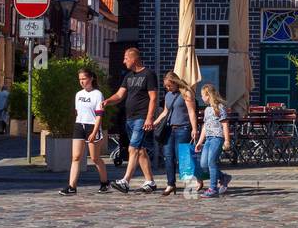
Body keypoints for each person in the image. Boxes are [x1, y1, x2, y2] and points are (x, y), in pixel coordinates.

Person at [102, 46, 159, 194]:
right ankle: (150, 182)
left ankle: (125, 181)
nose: (124, 61)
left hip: (142, 117)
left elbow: (153, 98)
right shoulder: (128, 76)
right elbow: (120, 95)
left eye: (126, 58)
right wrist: (108, 101)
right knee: (140, 151)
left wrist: (149, 118)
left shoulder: (149, 74)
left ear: (134, 59)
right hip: (130, 119)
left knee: (132, 148)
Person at [58, 68, 110, 196]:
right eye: (80, 79)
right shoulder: (78, 94)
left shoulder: (97, 94)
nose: (82, 81)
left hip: (92, 126)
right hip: (79, 125)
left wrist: (94, 132)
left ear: (91, 78)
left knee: (95, 158)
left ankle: (104, 182)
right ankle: (72, 187)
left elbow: (99, 115)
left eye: (84, 79)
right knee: (76, 157)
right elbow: (77, 112)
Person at [158, 71, 198, 195]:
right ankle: (170, 184)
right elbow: (165, 112)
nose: (168, 88)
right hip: (170, 129)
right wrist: (155, 122)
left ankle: (189, 186)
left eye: (169, 86)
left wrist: (194, 129)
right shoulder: (168, 95)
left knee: (183, 158)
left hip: (183, 128)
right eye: (166, 86)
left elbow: (192, 112)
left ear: (175, 83)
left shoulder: (186, 93)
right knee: (168, 157)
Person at [195, 84, 232, 198]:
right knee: (204, 164)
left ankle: (213, 188)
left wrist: (227, 140)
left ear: (208, 95)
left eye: (202, 95)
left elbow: (225, 124)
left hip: (217, 138)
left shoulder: (220, 107)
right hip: (208, 139)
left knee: (211, 162)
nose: (201, 98)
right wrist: (200, 142)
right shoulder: (206, 110)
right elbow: (205, 127)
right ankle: (223, 177)